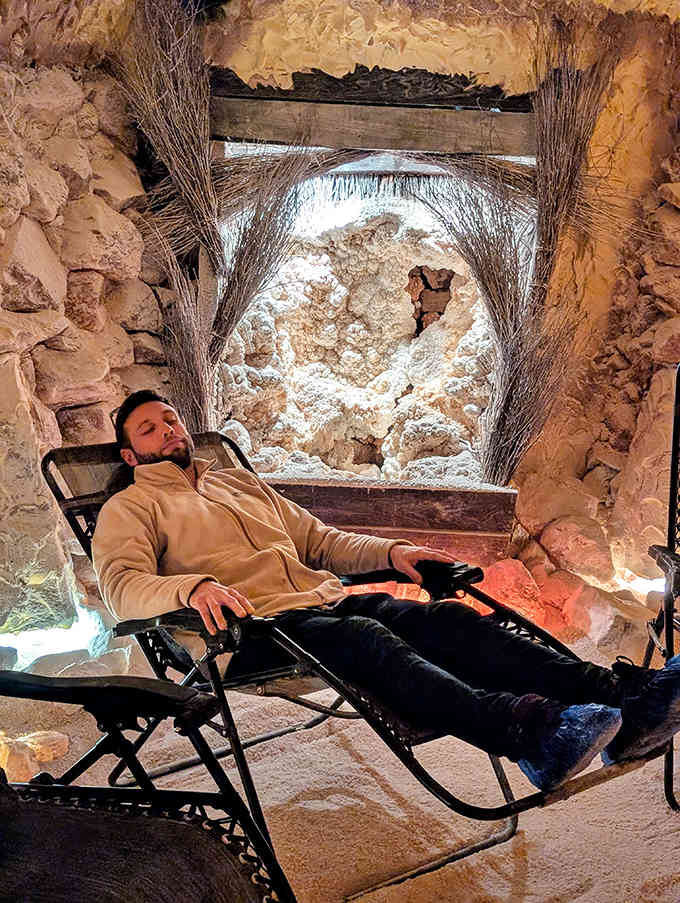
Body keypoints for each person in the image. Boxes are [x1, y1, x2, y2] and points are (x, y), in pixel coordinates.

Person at [92, 389, 680, 792]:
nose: (166, 430)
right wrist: (192, 589)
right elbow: (121, 588)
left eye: (169, 419)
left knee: (450, 622)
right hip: (245, 633)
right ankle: (529, 733)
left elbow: (321, 541)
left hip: (320, 602)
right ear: (129, 453)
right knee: (369, 640)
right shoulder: (132, 505)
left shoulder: (238, 484)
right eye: (148, 428)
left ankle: (631, 701)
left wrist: (398, 555)